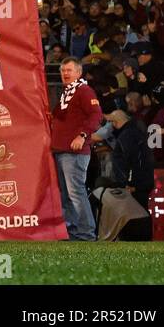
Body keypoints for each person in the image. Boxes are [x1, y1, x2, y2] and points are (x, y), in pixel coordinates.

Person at [49, 57, 103, 241]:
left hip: (74, 152)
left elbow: (97, 114)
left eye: (69, 70)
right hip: (62, 150)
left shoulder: (84, 91)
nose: (65, 74)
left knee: (75, 193)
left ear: (79, 72)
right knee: (67, 194)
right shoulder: (68, 93)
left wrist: (82, 135)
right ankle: (73, 233)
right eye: (63, 70)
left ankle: (86, 234)